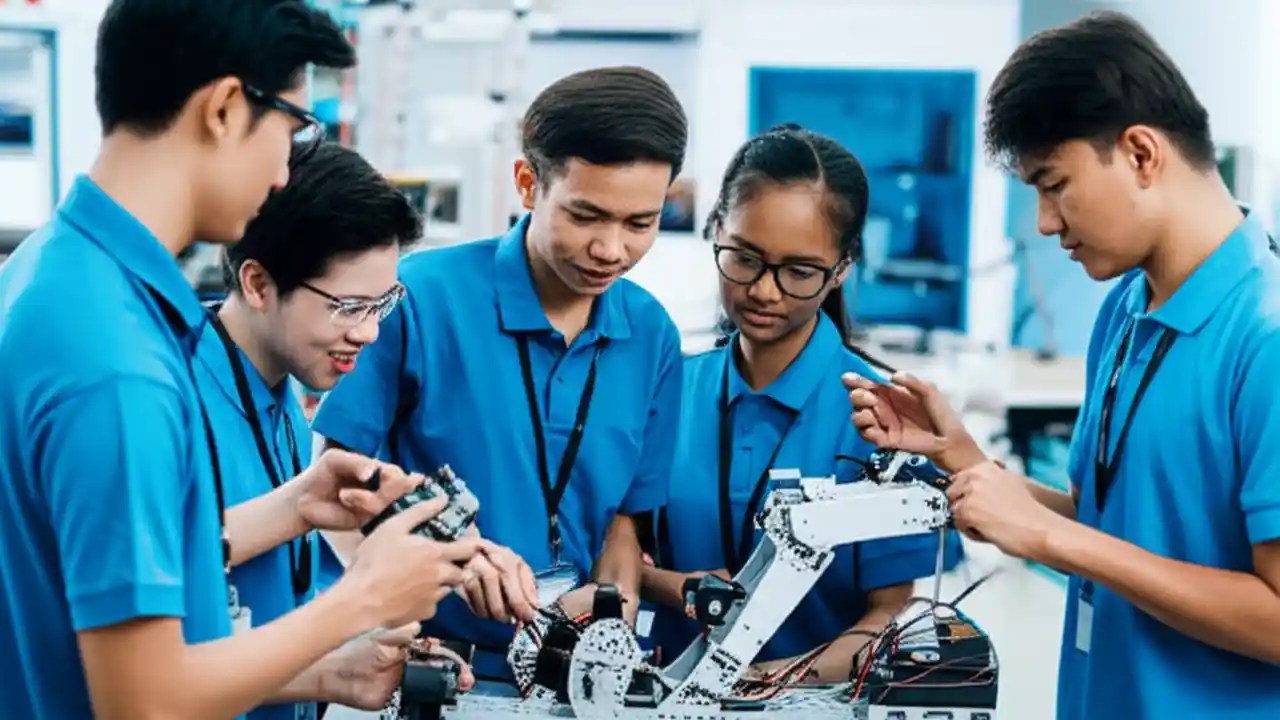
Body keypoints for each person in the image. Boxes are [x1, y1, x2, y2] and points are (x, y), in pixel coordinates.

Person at [0, 2, 484, 718]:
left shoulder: (60, 275)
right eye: (292, 130)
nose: (287, 172)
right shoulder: (116, 358)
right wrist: (362, 600)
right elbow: (145, 702)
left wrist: (294, 508)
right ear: (225, 108)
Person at [846, 11, 1280, 720]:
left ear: (1141, 154)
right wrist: (966, 461)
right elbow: (1123, 528)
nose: (1045, 223)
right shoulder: (1128, 310)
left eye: (1054, 185)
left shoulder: (1266, 338)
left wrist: (1053, 537)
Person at [312, 66, 688, 680]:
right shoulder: (420, 298)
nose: (611, 250)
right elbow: (335, 482)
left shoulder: (652, 335)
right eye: (586, 216)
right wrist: (409, 588)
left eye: (639, 224)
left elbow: (625, 520)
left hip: (567, 679)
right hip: (421, 668)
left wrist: (607, 628)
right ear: (527, 183)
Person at [198, 142, 539, 719]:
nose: (370, 334)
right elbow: (143, 659)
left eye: (382, 304)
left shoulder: (279, 394)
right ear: (258, 284)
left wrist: (339, 667)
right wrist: (362, 602)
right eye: (348, 306)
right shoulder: (175, 404)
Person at [641, 125, 957, 681]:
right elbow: (617, 559)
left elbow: (890, 613)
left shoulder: (881, 420)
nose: (764, 291)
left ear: (841, 270)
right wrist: (673, 588)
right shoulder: (665, 391)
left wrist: (770, 683)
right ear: (716, 231)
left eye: (799, 272)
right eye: (744, 258)